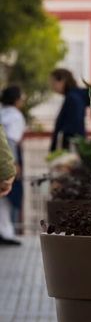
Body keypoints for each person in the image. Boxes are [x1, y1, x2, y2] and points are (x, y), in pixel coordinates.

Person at [0, 86, 25, 245]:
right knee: (9, 196)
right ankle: (6, 232)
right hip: (7, 156)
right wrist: (13, 164)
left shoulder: (2, 113)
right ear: (16, 99)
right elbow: (10, 141)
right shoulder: (15, 116)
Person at [50, 69, 89, 152]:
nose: (52, 87)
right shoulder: (75, 96)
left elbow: (74, 124)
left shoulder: (73, 98)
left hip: (73, 144)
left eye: (53, 83)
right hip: (77, 142)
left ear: (62, 81)